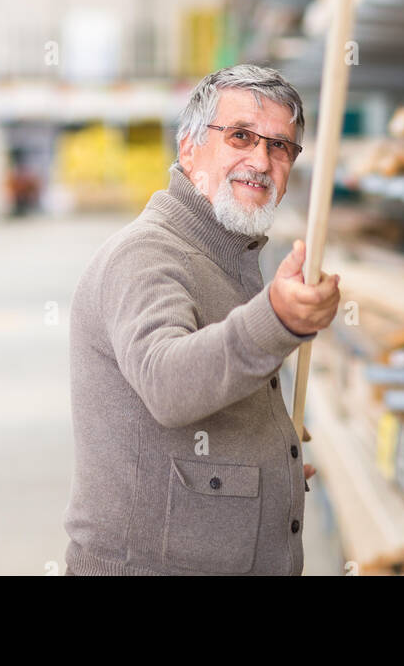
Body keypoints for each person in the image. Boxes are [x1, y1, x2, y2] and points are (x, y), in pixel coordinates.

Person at [63, 64, 340, 577]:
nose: (261, 160)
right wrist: (277, 317)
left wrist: (267, 465)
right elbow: (168, 384)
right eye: (240, 136)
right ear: (188, 148)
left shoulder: (227, 256)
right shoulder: (147, 255)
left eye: (281, 146)